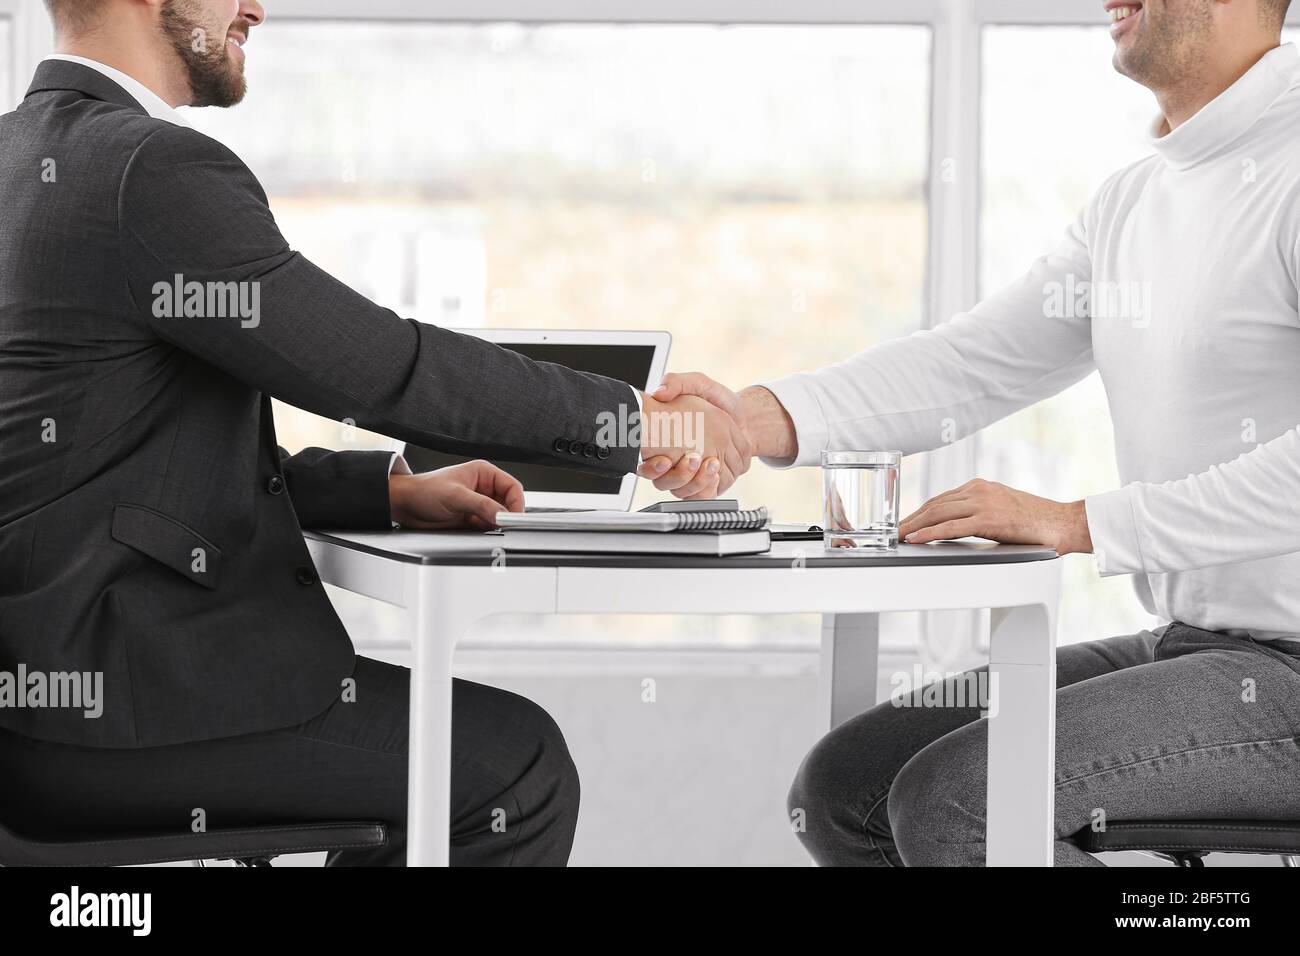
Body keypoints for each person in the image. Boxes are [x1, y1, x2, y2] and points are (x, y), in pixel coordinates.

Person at [0, 0, 747, 866]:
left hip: (40, 706)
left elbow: (93, 452)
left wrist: (381, 489)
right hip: (123, 711)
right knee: (515, 771)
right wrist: (630, 417)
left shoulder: (21, 157)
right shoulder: (148, 170)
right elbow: (380, 366)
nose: (255, 7)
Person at [658, 0, 1300, 865]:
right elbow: (973, 364)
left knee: (960, 802)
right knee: (846, 790)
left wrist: (1080, 522)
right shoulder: (1133, 202)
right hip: (1194, 645)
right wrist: (752, 417)